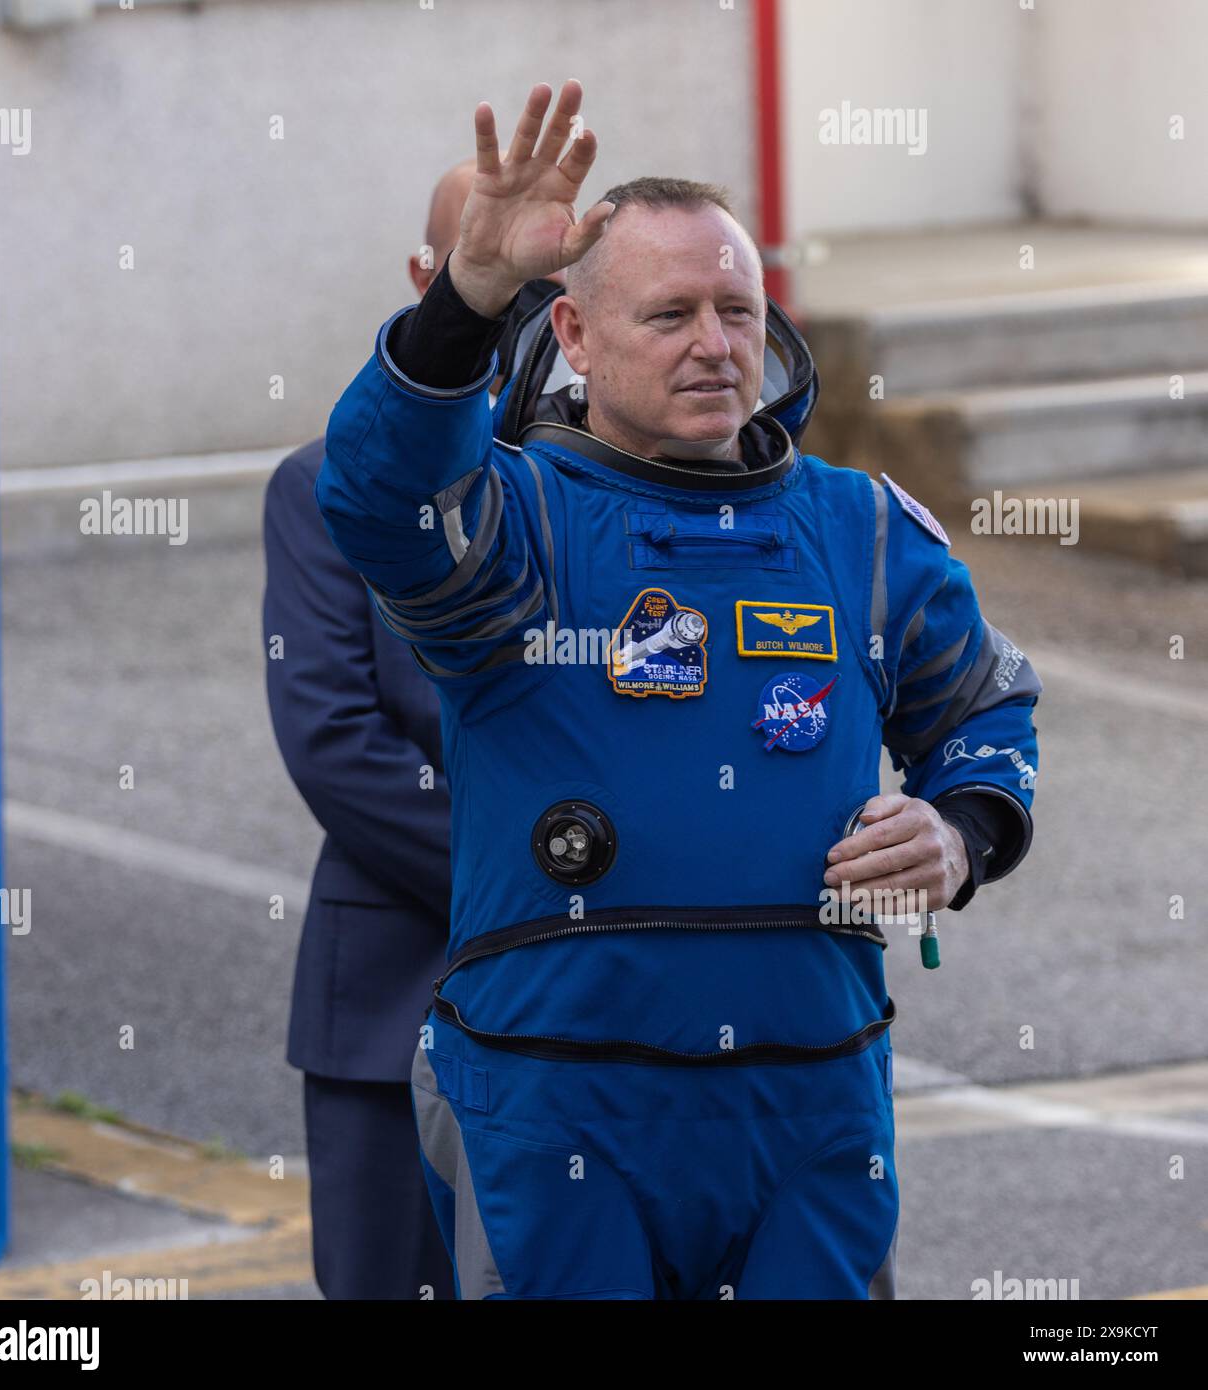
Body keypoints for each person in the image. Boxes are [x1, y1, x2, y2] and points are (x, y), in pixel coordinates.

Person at [316, 80, 1042, 1300]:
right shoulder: (518, 523)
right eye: (669, 314)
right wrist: (463, 304)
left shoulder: (861, 530)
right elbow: (382, 497)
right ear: (579, 340)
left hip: (813, 1092)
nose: (715, 343)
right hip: (556, 1097)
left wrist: (958, 834)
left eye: (736, 309)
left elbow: (983, 711)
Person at [262, 157, 560, 1300]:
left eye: (541, 274)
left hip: (584, 1012)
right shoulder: (325, 486)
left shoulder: (600, 488)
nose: (512, 298)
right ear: (425, 276)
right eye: (483, 264)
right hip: (397, 997)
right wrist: (538, 871)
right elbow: (333, 739)